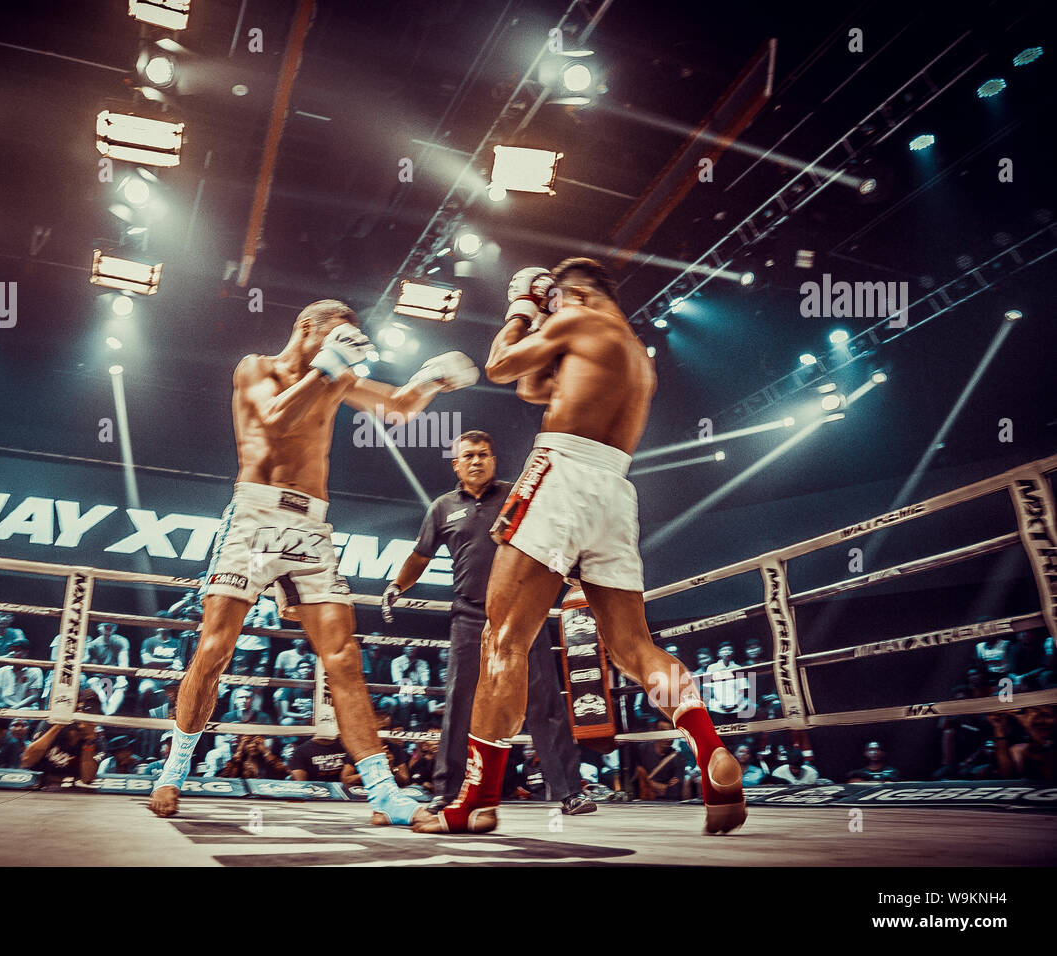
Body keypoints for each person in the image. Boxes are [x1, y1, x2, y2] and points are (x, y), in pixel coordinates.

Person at [414, 259, 744, 835]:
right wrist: (547, 323)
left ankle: (474, 802)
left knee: (503, 637)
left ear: (574, 294)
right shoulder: (637, 356)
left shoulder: (581, 320)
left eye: (559, 300)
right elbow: (534, 387)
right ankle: (709, 746)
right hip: (615, 490)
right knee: (634, 646)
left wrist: (522, 307)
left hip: (561, 473)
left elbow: (498, 366)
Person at [146, 299, 475, 826]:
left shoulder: (338, 378)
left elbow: (398, 407)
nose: (347, 348)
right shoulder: (255, 367)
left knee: (342, 657)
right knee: (214, 648)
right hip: (254, 516)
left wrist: (433, 378)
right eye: (338, 338)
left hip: (310, 525)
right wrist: (330, 368)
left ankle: (384, 792)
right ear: (307, 330)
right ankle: (173, 770)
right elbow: (274, 424)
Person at [385, 429, 596, 817]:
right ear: (456, 464)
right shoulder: (442, 508)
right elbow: (420, 555)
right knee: (459, 704)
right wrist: (398, 584)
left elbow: (555, 534)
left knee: (543, 703)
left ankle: (569, 792)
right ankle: (446, 792)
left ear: (494, 460)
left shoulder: (518, 496)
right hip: (468, 616)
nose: (477, 461)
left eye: (483, 454)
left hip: (522, 614)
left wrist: (571, 567)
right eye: (469, 456)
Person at [21, 689, 100, 784]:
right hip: (37, 781)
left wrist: (89, 740)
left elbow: (88, 778)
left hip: (69, 788)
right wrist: (60, 725)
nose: (85, 715)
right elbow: (27, 760)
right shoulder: (50, 724)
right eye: (82, 709)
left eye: (91, 712)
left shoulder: (95, 737)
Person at [0, 637, 43, 709]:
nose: (13, 653)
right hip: (4, 707)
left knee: (22, 716)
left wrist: (16, 707)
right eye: (11, 650)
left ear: (26, 652)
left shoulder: (35, 671)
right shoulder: (2, 671)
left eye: (17, 650)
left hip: (25, 708)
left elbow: (34, 695)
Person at [219, 735, 288, 779]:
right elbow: (226, 779)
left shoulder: (269, 762)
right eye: (248, 742)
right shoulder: (239, 763)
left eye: (257, 742)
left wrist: (265, 750)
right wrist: (240, 749)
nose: (253, 745)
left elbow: (283, 774)